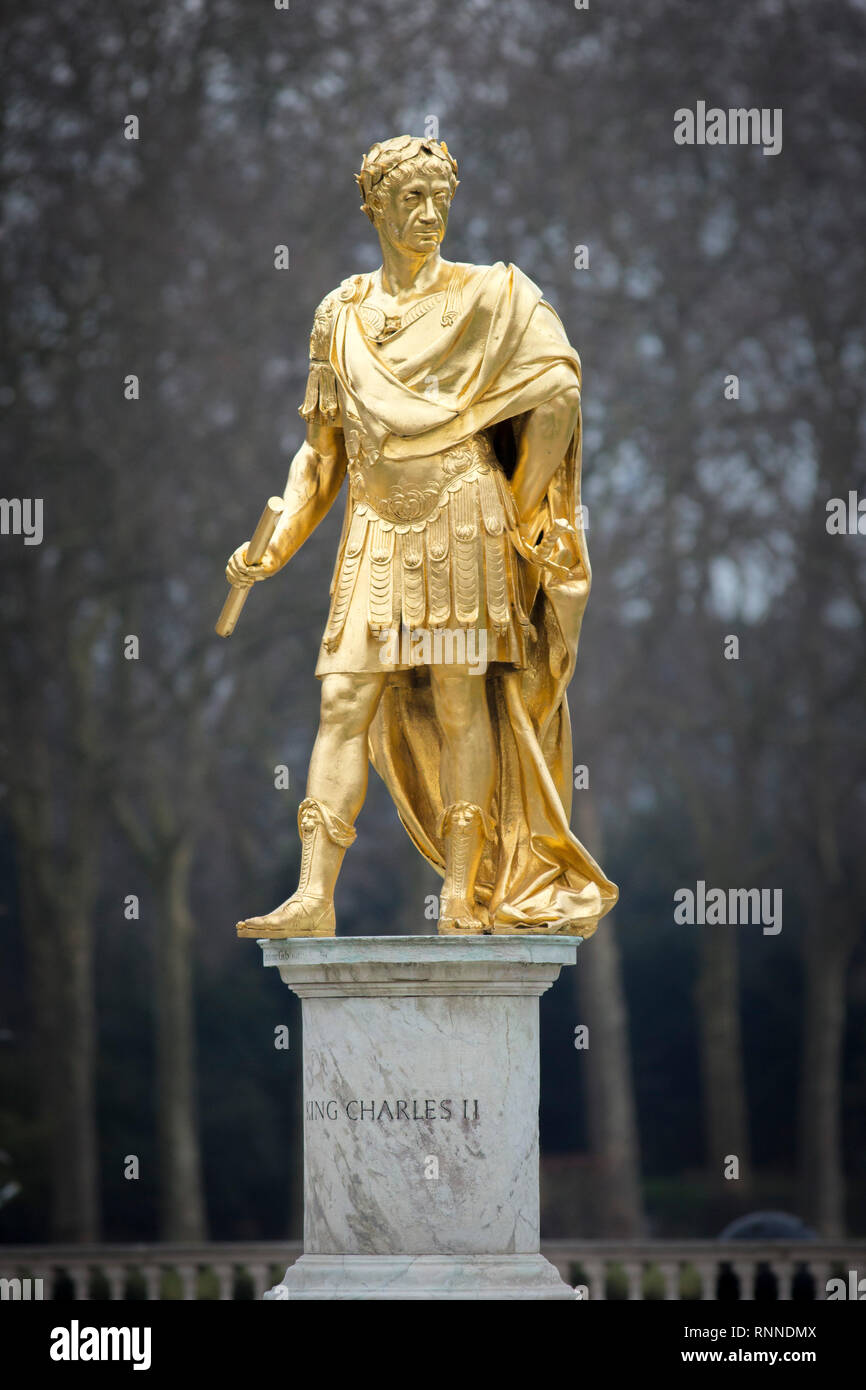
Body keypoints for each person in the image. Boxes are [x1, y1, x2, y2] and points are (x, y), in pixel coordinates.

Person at [227, 135, 617, 938]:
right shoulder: (340, 314)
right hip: (372, 526)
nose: (430, 213)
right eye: (411, 197)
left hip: (464, 518)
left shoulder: (493, 296)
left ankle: (461, 893)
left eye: (441, 196)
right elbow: (320, 453)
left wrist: (518, 505)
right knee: (342, 699)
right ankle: (313, 895)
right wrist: (276, 542)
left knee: (457, 700)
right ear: (373, 204)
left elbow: (559, 398)